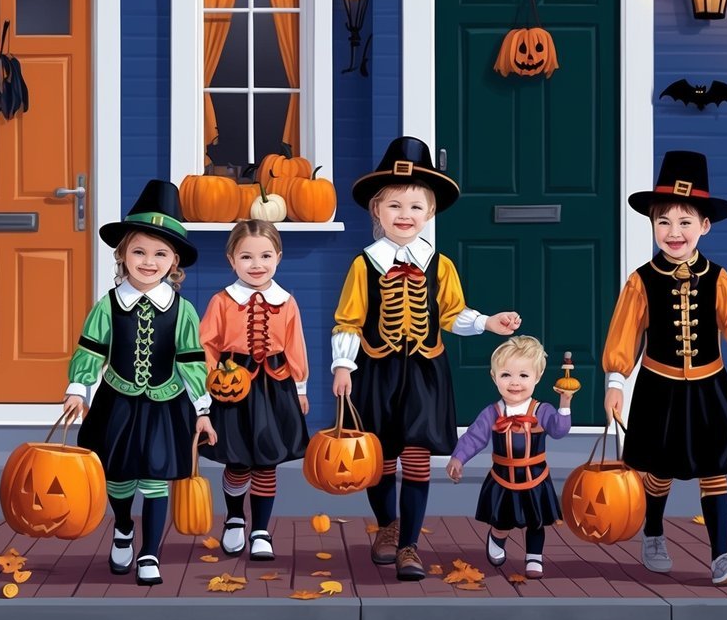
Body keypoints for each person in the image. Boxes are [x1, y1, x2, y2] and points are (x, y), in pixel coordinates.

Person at [332, 136, 522, 581]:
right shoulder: (365, 265)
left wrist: (488, 322)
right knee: (378, 457)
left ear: (430, 213)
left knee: (416, 457)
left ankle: (409, 544)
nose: (405, 215)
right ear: (377, 211)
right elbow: (348, 320)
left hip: (424, 373)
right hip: (376, 370)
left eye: (415, 207)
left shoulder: (441, 265)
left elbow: (453, 314)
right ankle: (386, 526)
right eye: (394, 206)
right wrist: (344, 364)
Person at [601, 150, 727, 586]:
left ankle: (721, 554)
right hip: (659, 389)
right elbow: (624, 334)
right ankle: (653, 533)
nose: (674, 232)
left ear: (705, 226)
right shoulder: (640, 280)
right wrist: (615, 381)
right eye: (663, 222)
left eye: (685, 222)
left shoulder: (718, 277)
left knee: (712, 469)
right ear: (652, 226)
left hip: (708, 389)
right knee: (659, 468)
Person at [61, 179, 217, 586]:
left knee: (154, 477)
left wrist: (202, 409)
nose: (149, 261)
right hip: (118, 400)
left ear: (174, 261)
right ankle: (123, 527)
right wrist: (80, 388)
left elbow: (192, 360)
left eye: (160, 254)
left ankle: (150, 552)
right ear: (122, 255)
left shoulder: (182, 310)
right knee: (118, 476)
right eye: (139, 252)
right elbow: (92, 349)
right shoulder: (108, 305)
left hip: (166, 402)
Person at [200, 219, 309, 561]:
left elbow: (295, 345)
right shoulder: (222, 301)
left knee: (266, 461)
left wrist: (301, 386)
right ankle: (234, 518)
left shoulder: (287, 301)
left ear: (278, 256)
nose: (257, 265)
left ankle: (260, 529)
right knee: (237, 460)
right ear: (231, 259)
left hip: (275, 387)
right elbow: (207, 344)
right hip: (232, 387)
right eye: (246, 257)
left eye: (265, 256)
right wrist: (211, 378)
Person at [446, 336, 572, 579]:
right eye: (506, 375)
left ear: (538, 377)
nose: (515, 383)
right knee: (503, 519)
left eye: (523, 376)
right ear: (494, 378)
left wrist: (564, 403)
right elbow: (474, 437)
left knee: (536, 521)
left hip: (535, 478)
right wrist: (458, 458)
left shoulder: (541, 410)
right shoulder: (492, 413)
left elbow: (559, 430)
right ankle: (497, 537)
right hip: (503, 478)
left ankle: (534, 556)